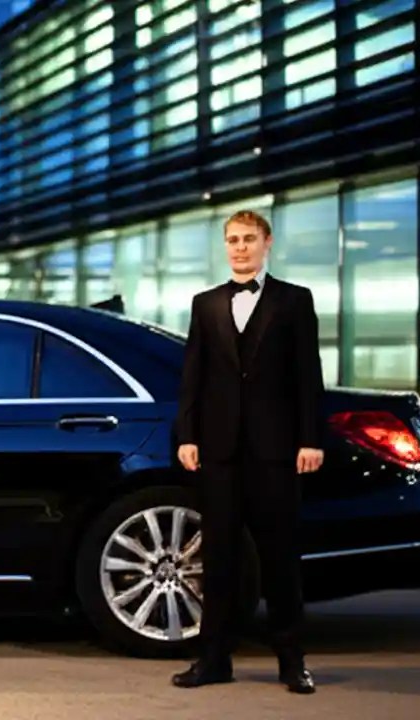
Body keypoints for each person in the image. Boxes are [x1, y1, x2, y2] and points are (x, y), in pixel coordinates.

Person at [172, 209, 324, 695]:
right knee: (217, 560)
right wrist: (187, 436)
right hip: (218, 451)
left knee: (281, 559)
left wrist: (310, 439)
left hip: (277, 451)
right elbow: (192, 376)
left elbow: (308, 377)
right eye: (233, 240)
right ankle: (213, 660)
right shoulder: (206, 304)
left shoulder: (295, 301)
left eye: (248, 239)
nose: (239, 248)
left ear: (267, 242)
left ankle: (292, 662)